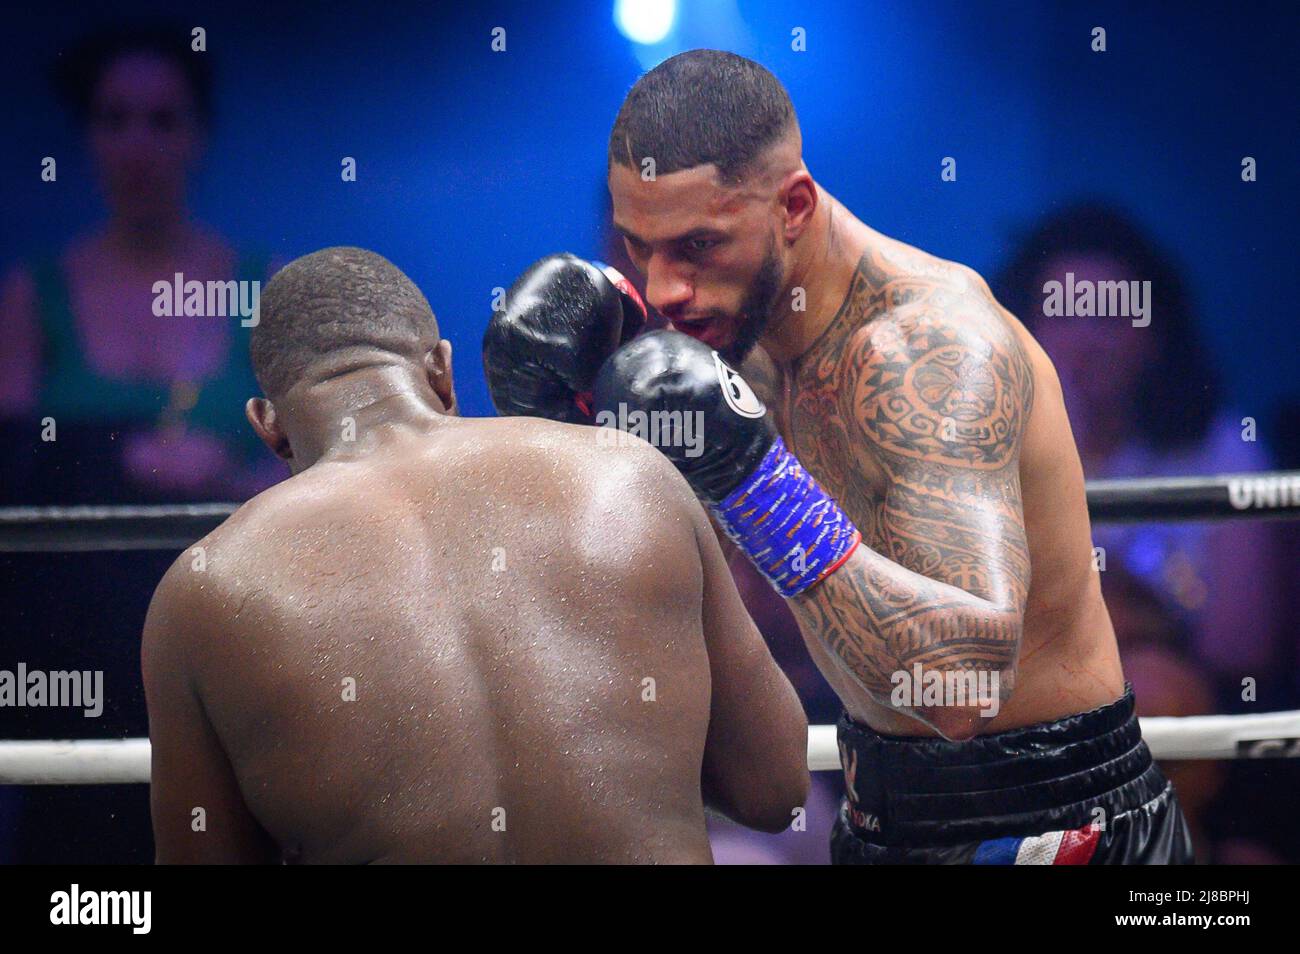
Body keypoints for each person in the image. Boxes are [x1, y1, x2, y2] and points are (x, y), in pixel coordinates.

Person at [483, 51, 1192, 864]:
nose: (666, 285)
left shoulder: (929, 356)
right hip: (877, 810)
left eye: (698, 246)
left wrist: (754, 482)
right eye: (642, 248)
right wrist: (561, 418)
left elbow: (962, 686)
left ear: (793, 205)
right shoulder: (726, 338)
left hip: (1049, 818)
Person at [143, 246, 809, 863]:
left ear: (267, 425)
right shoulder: (630, 474)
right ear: (441, 368)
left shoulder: (204, 590)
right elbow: (775, 789)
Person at [993, 204, 1279, 683]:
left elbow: (1240, 653)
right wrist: (1053, 445)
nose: (1087, 341)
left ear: (1157, 334)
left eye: (1110, 317)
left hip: (1169, 704)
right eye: (1063, 313)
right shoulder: (982, 445)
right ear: (1018, 329)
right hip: (1021, 698)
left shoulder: (1221, 448)